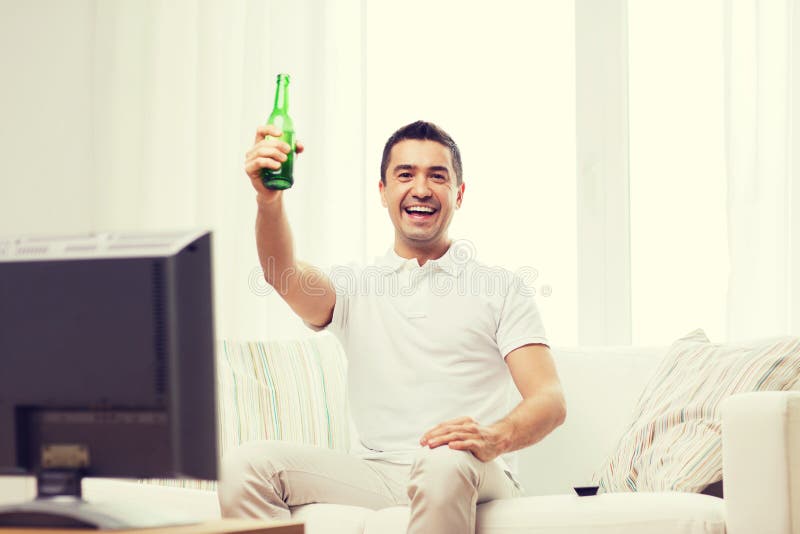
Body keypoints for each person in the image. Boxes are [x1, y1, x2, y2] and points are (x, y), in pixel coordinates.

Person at [219, 120, 567, 533]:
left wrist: (495, 436)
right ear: (382, 193)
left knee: (444, 460)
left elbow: (549, 399)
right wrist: (268, 199)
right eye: (405, 175)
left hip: (472, 467)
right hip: (378, 472)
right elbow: (284, 276)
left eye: (437, 176)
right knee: (245, 466)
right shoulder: (355, 288)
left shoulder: (501, 288)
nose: (421, 188)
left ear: (459, 194)